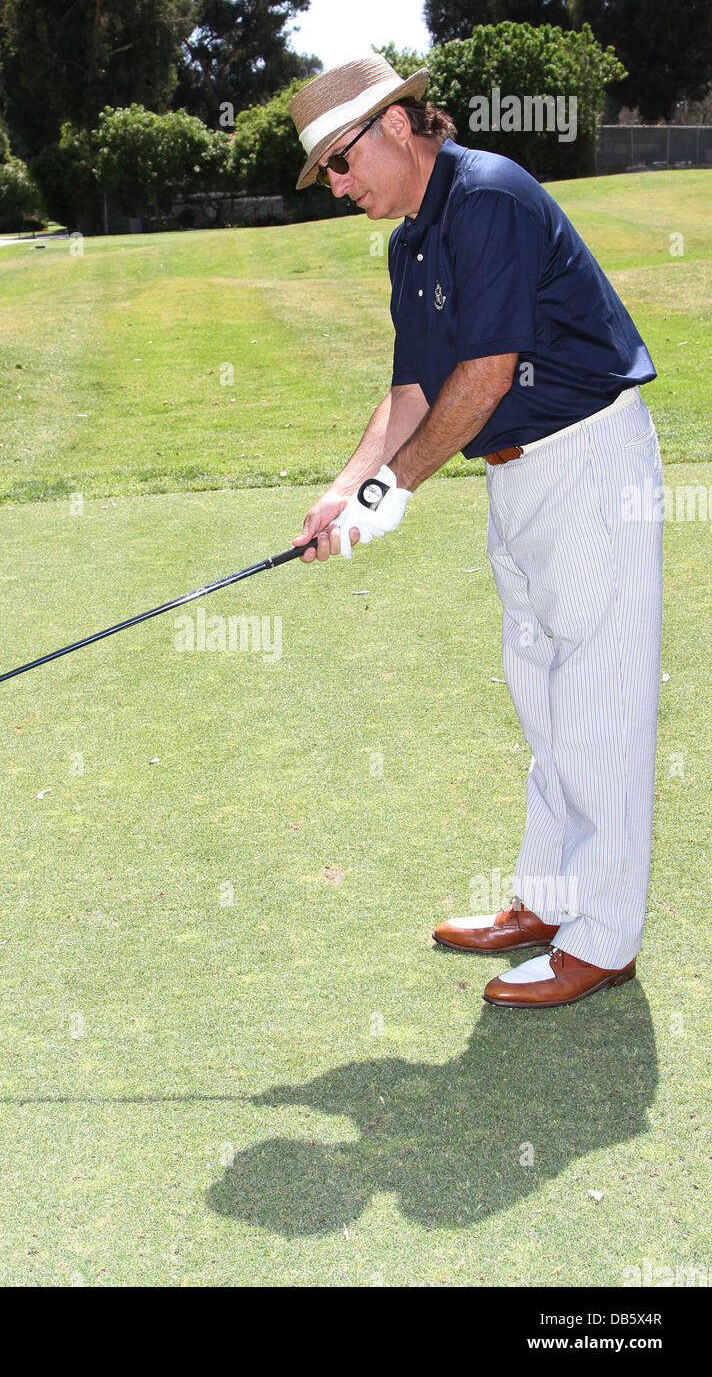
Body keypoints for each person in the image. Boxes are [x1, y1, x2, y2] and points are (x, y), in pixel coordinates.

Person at [288, 55, 664, 1008]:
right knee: (544, 697)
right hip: (520, 481)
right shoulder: (411, 242)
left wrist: (396, 488)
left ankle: (605, 938)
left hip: (587, 463)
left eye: (341, 161)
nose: (338, 186)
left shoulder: (489, 195)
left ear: (397, 125)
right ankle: (549, 901)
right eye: (327, 172)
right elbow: (414, 388)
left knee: (600, 708)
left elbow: (488, 372)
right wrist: (347, 488)